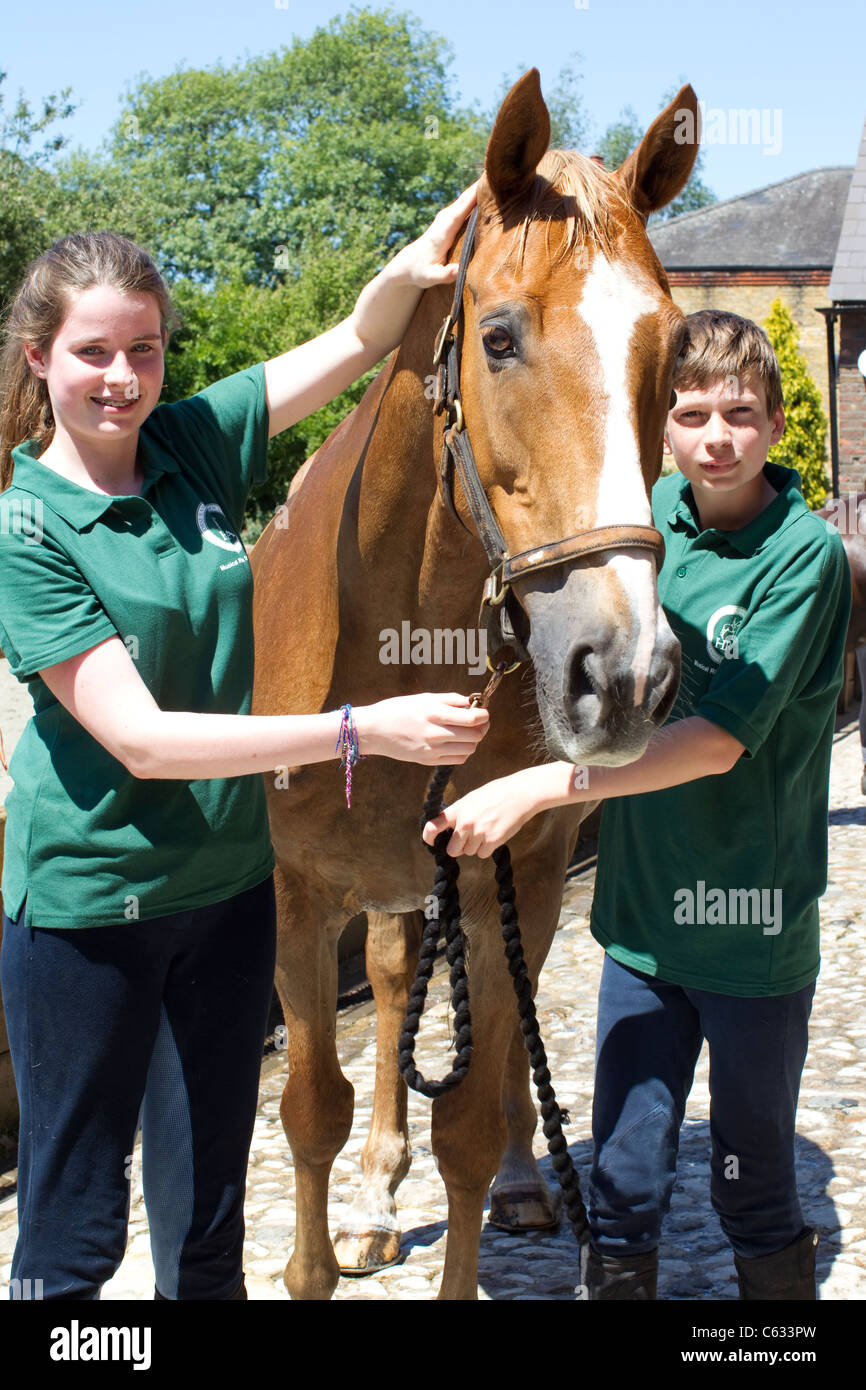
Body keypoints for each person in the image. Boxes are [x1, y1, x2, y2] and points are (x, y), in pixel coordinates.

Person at [0, 180, 489, 1302]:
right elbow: (143, 739)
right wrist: (361, 727)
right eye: (92, 353)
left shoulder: (189, 448)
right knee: (74, 1241)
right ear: (38, 358)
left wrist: (415, 267)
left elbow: (351, 347)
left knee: (209, 1229)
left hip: (226, 902)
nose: (123, 377)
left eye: (146, 349)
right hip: (95, 912)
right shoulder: (27, 527)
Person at [423, 310, 851, 1301]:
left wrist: (540, 783)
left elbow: (711, 744)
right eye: (691, 412)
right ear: (660, 426)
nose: (715, 436)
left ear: (776, 424)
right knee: (618, 1184)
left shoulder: (801, 558)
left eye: (739, 413)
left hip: (750, 936)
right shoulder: (645, 521)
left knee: (749, 1186)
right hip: (640, 932)